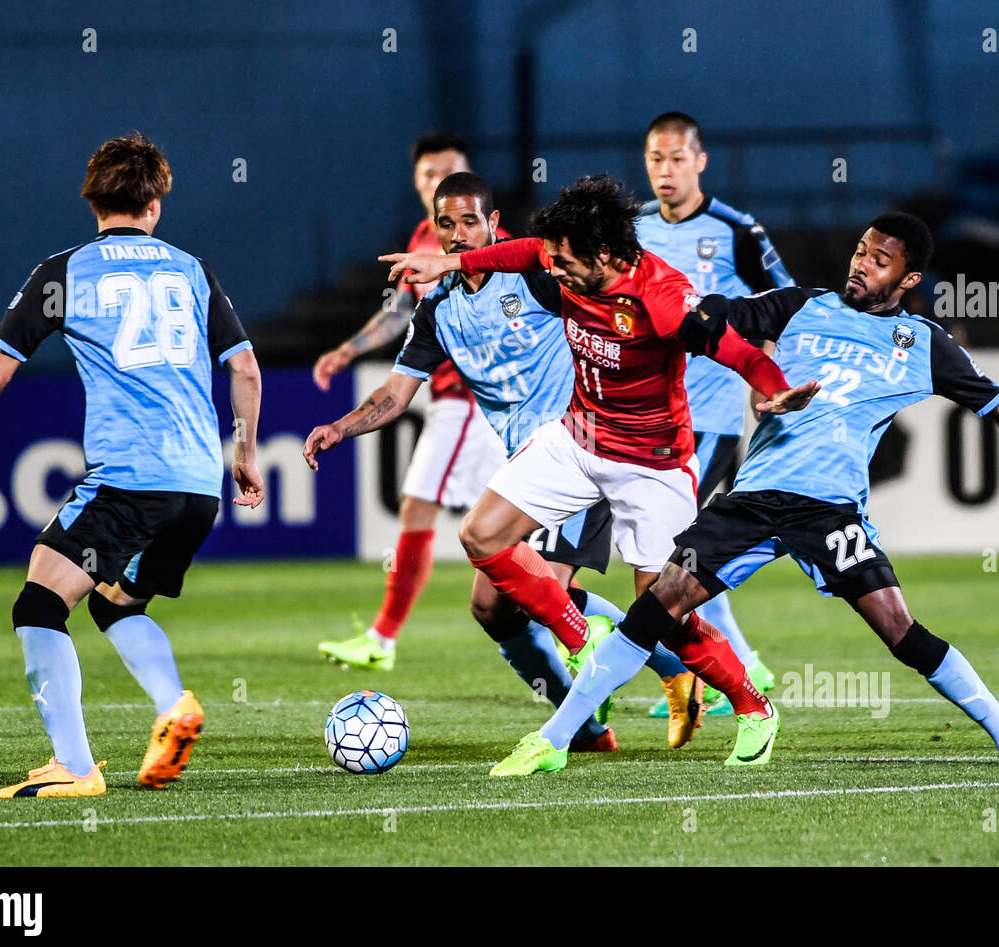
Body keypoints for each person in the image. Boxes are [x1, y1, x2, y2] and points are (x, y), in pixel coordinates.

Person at [487, 210, 999, 775]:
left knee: (902, 634)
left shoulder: (924, 343)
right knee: (653, 609)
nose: (860, 263)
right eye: (859, 249)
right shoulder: (801, 306)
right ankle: (552, 740)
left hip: (831, 512)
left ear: (908, 278)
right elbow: (711, 319)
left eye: (879, 259)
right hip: (752, 499)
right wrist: (640, 297)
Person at [381, 174, 819, 768]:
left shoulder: (662, 298)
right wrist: (443, 261)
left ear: (607, 257)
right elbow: (522, 251)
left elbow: (736, 349)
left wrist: (772, 391)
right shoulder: (567, 253)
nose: (551, 269)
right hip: (578, 439)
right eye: (551, 255)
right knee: (481, 534)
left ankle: (752, 705)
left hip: (653, 466)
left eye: (562, 261)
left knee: (666, 617)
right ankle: (584, 642)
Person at [0, 132, 265, 797]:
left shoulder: (64, 272)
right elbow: (244, 366)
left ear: (93, 198)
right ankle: (173, 705)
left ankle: (74, 765)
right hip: (196, 486)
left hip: (130, 479)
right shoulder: (191, 268)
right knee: (115, 601)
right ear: (154, 203)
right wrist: (242, 454)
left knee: (38, 602)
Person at [306, 172, 690, 750]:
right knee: (493, 610)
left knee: (546, 592)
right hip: (529, 469)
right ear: (433, 229)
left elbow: (603, 292)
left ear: (492, 224)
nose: (458, 235)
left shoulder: (537, 280)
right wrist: (341, 427)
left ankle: (651, 676)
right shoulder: (437, 311)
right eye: (446, 223)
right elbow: (395, 394)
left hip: (583, 451)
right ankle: (602, 713)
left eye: (470, 222)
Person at [313, 132, 507, 670]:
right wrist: (347, 350)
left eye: (448, 171)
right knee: (494, 532)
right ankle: (575, 627)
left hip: (471, 401)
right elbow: (402, 314)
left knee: (438, 510)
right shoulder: (427, 239)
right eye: (427, 174)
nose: (435, 182)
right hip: (457, 401)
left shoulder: (491, 245)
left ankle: (385, 637)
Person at [637, 110, 791, 721]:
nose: (666, 171)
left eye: (678, 159)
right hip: (651, 413)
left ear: (700, 162)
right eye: (656, 159)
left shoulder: (735, 228)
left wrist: (767, 371)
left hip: (712, 413)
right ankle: (721, 667)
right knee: (676, 549)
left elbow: (786, 300)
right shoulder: (634, 227)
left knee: (682, 548)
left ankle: (732, 667)